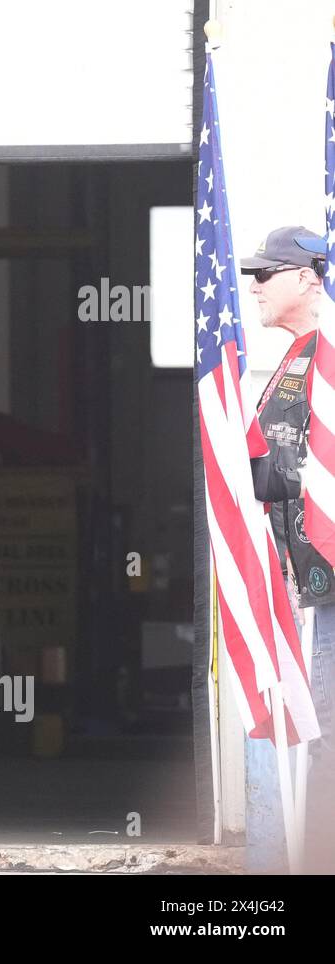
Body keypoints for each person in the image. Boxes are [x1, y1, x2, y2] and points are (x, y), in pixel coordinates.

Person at [242, 225, 334, 871]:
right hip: (314, 580)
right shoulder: (299, 356)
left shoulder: (325, 354)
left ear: (306, 277)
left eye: (266, 273)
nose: (253, 286)